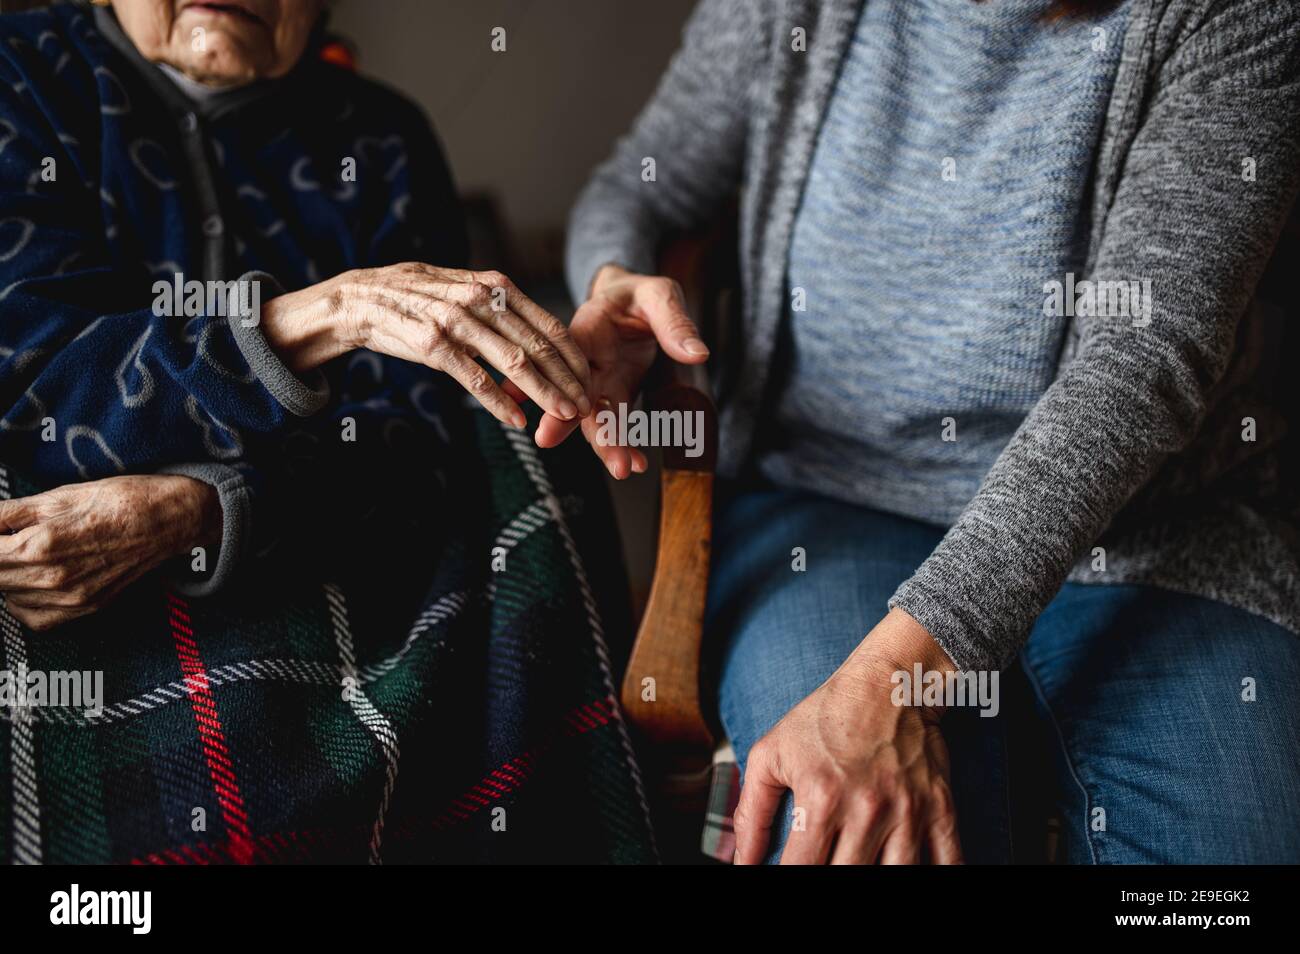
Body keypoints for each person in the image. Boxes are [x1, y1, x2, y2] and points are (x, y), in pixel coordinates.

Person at [559, 0, 1300, 863]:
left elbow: (1144, 361)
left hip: (1148, 527)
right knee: (846, 836)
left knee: (1235, 866)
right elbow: (639, 183)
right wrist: (615, 279)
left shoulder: (1237, 15)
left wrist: (897, 673)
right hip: (831, 505)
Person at [0, 0, 654, 864]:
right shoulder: (22, 73)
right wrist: (321, 316)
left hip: (331, 566)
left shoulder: (381, 135)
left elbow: (416, 442)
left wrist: (203, 508)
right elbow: (39, 390)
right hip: (75, 582)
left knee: (521, 438)